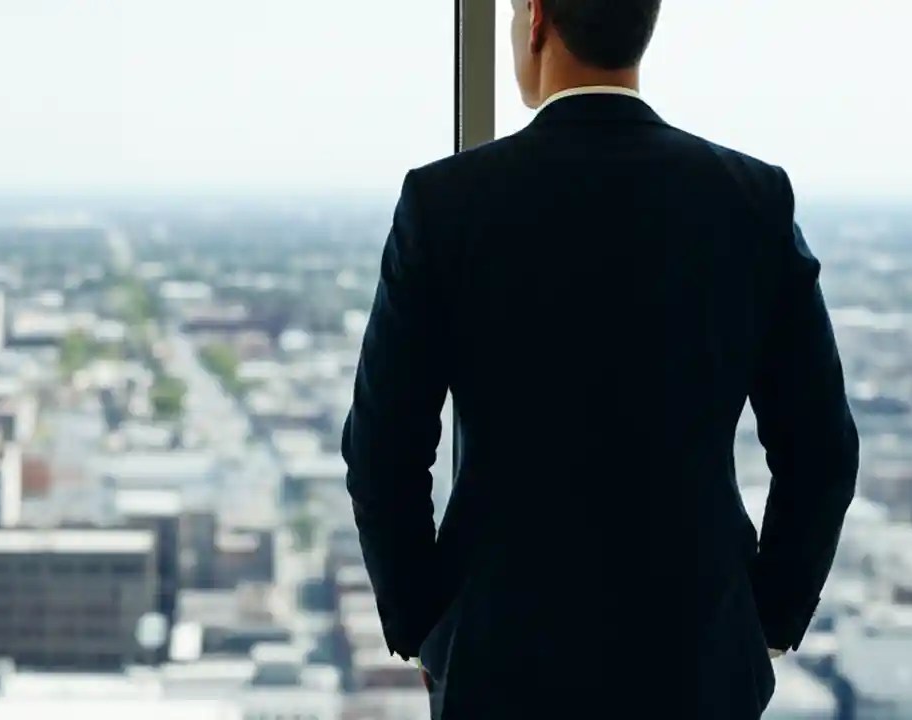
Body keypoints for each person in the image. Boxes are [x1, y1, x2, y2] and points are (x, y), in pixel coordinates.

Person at [341, 0, 860, 717]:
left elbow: (382, 453)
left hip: (502, 660)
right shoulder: (749, 199)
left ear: (535, 19)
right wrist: (765, 618)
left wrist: (429, 626)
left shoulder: (446, 204)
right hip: (697, 659)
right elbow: (822, 450)